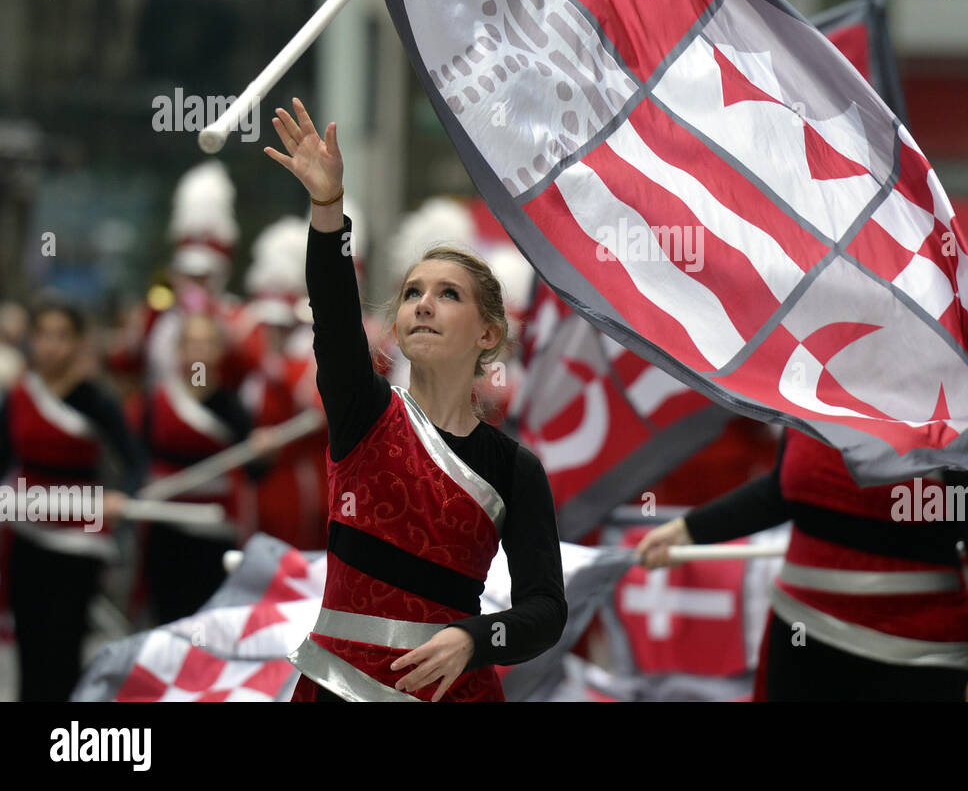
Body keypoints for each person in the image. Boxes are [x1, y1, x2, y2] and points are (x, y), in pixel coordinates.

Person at [264, 98, 566, 702]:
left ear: (488, 335)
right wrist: (328, 207)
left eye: (447, 294)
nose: (423, 304)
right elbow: (332, 311)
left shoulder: (514, 467)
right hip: (337, 688)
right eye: (411, 293)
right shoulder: (364, 414)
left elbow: (545, 611)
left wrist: (477, 640)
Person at [636, 424, 968, 702]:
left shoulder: (960, 409)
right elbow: (780, 491)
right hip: (800, 643)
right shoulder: (808, 390)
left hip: (918, 657)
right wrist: (688, 529)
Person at [0, 298, 146, 701]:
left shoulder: (97, 400)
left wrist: (121, 499)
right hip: (26, 533)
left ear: (79, 343)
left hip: (80, 540)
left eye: (62, 336)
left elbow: (135, 464)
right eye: (43, 335)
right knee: (27, 644)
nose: (51, 346)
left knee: (63, 647)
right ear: (31, 340)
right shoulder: (17, 397)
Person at [139, 310, 256, 624]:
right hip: (164, 525)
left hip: (213, 530)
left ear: (219, 351)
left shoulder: (234, 409)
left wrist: (261, 451)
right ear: (179, 349)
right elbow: (139, 457)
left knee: (206, 621)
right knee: (166, 619)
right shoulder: (159, 400)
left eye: (207, 343)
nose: (199, 351)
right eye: (191, 343)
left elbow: (256, 472)